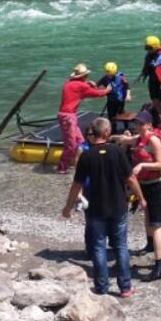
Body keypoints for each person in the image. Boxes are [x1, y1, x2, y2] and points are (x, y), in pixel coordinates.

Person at [61, 117, 144, 298]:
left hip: (95, 209)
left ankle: (101, 287)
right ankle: (125, 287)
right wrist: (141, 199)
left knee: (98, 247)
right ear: (107, 132)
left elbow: (76, 185)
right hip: (118, 206)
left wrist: (67, 207)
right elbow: (131, 178)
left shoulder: (86, 155)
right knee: (121, 246)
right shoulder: (117, 151)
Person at [129, 110, 161, 281]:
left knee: (156, 226)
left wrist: (142, 166)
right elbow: (125, 140)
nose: (137, 126)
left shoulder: (153, 140)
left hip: (157, 187)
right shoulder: (138, 139)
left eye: (140, 123)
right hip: (145, 185)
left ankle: (159, 267)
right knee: (159, 221)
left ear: (148, 125)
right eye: (136, 123)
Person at [57, 63, 108, 173]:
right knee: (71, 144)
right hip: (68, 117)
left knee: (80, 140)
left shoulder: (68, 83)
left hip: (66, 115)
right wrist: (108, 90)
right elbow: (97, 94)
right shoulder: (81, 86)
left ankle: (82, 163)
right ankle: (62, 167)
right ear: (84, 76)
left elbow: (79, 88)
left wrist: (87, 84)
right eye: (86, 76)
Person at [139, 36, 161, 118]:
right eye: (146, 47)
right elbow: (146, 67)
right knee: (156, 103)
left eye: (150, 48)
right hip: (152, 82)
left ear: (155, 47)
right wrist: (142, 74)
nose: (148, 50)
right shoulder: (148, 56)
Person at [97, 62, 130, 131]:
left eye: (111, 75)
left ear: (114, 73)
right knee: (111, 115)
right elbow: (97, 84)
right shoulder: (105, 78)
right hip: (110, 100)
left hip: (120, 100)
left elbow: (127, 87)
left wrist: (128, 95)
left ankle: (127, 127)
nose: (109, 76)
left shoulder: (121, 77)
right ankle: (113, 129)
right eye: (108, 74)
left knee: (121, 113)